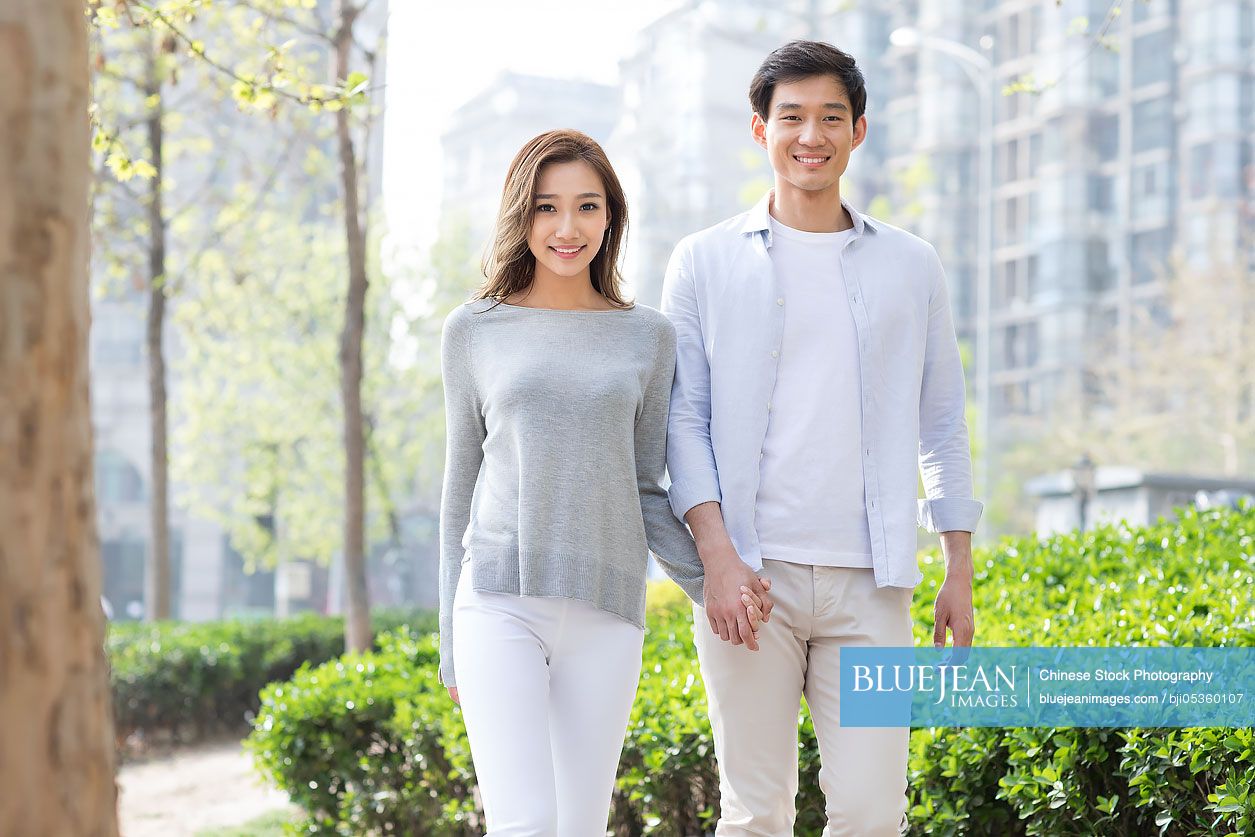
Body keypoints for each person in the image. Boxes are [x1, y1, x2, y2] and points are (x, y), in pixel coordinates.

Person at [661, 41, 984, 836]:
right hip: (749, 583)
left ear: (859, 129)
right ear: (758, 129)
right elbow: (681, 424)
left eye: (830, 117)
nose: (811, 135)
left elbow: (941, 417)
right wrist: (718, 562)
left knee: (874, 813)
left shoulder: (912, 265)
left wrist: (957, 565)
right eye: (792, 117)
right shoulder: (701, 263)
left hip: (871, 586)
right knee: (754, 812)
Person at [437, 128, 770, 836]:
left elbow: (646, 487)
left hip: (607, 613)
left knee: (580, 826)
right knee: (524, 823)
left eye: (587, 207)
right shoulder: (473, 329)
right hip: (499, 603)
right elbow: (455, 494)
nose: (566, 228)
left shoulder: (647, 337)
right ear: (520, 214)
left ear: (610, 216)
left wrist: (716, 579)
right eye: (547, 207)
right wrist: (447, 638)